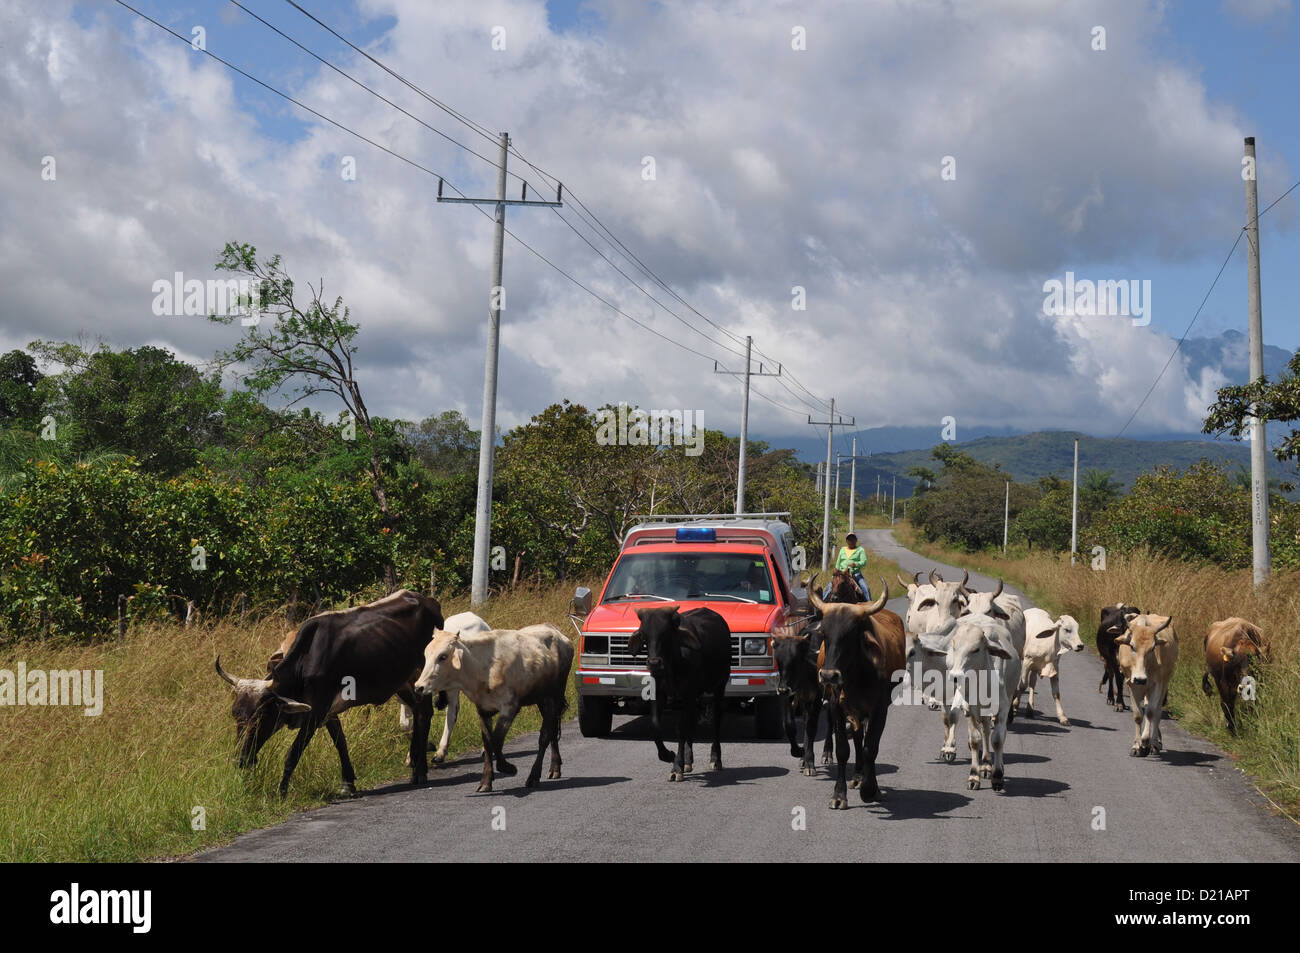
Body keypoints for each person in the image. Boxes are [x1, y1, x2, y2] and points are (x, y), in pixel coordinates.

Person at [823, 533, 871, 600]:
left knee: (865, 588)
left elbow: (864, 562)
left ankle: (870, 605)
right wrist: (835, 573)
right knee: (829, 587)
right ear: (846, 541)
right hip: (841, 574)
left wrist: (856, 564)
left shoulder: (860, 550)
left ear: (856, 540)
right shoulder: (843, 549)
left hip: (855, 574)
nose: (851, 541)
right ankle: (822, 603)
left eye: (853, 539)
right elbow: (838, 562)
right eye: (849, 539)